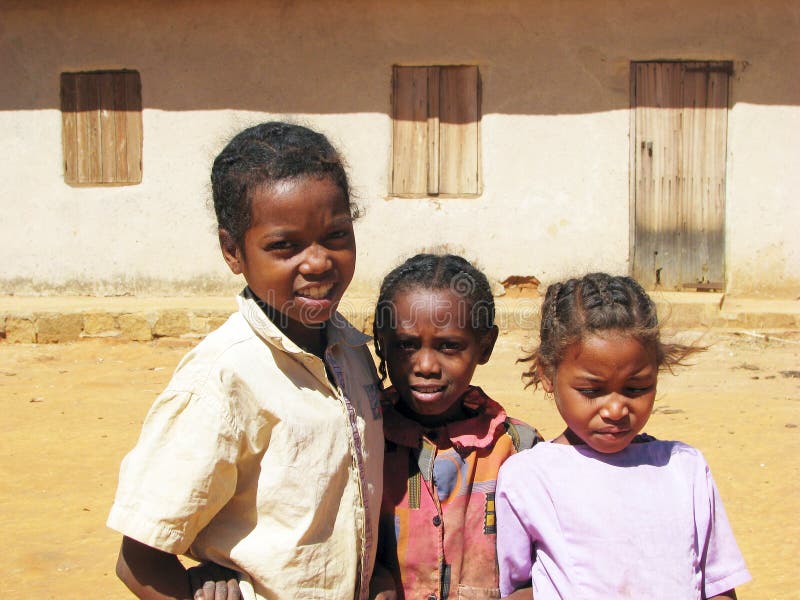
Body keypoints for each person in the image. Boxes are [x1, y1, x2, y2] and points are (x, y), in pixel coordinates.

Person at [107, 122, 384, 600]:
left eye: (336, 235)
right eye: (284, 246)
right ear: (232, 251)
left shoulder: (351, 352)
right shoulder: (222, 380)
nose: (317, 262)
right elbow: (139, 559)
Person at [495, 272, 751, 599]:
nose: (616, 409)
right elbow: (518, 586)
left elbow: (718, 585)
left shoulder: (684, 469)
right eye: (592, 390)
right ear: (547, 374)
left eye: (636, 388)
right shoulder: (528, 477)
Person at [368, 253, 542, 600]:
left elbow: (551, 559)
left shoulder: (519, 450)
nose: (427, 365)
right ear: (382, 344)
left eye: (449, 346)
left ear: (485, 345)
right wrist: (375, 578)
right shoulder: (361, 441)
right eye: (406, 345)